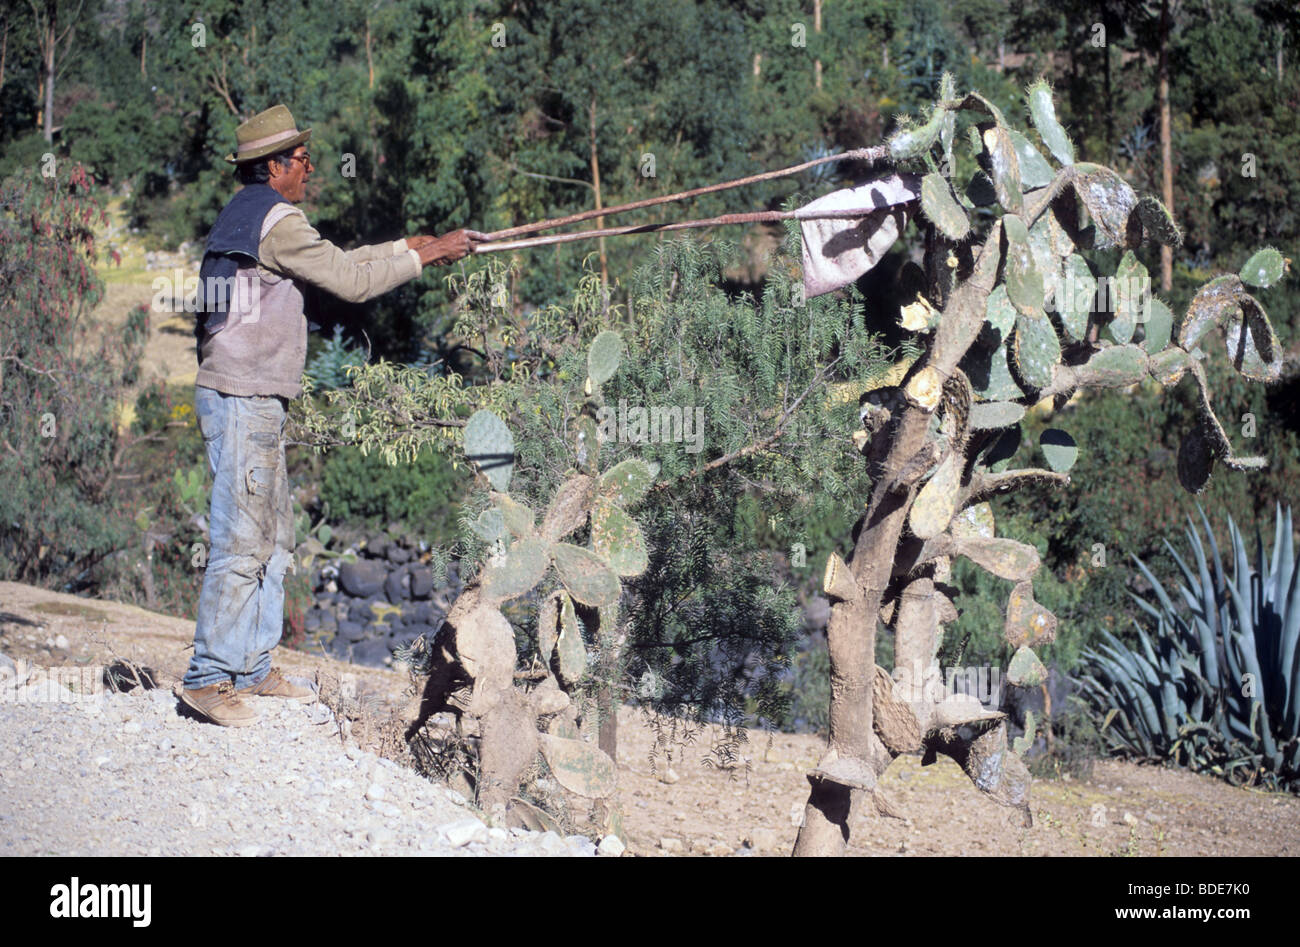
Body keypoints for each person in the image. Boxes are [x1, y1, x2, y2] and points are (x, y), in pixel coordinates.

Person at [176, 104, 472, 726]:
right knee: (241, 537)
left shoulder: (254, 217)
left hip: (250, 396)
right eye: (304, 160)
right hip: (242, 397)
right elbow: (350, 280)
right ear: (276, 166)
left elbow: (337, 261)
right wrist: (426, 256)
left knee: (275, 537)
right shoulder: (276, 220)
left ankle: (251, 667)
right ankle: (208, 677)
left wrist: (409, 249)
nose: (310, 170)